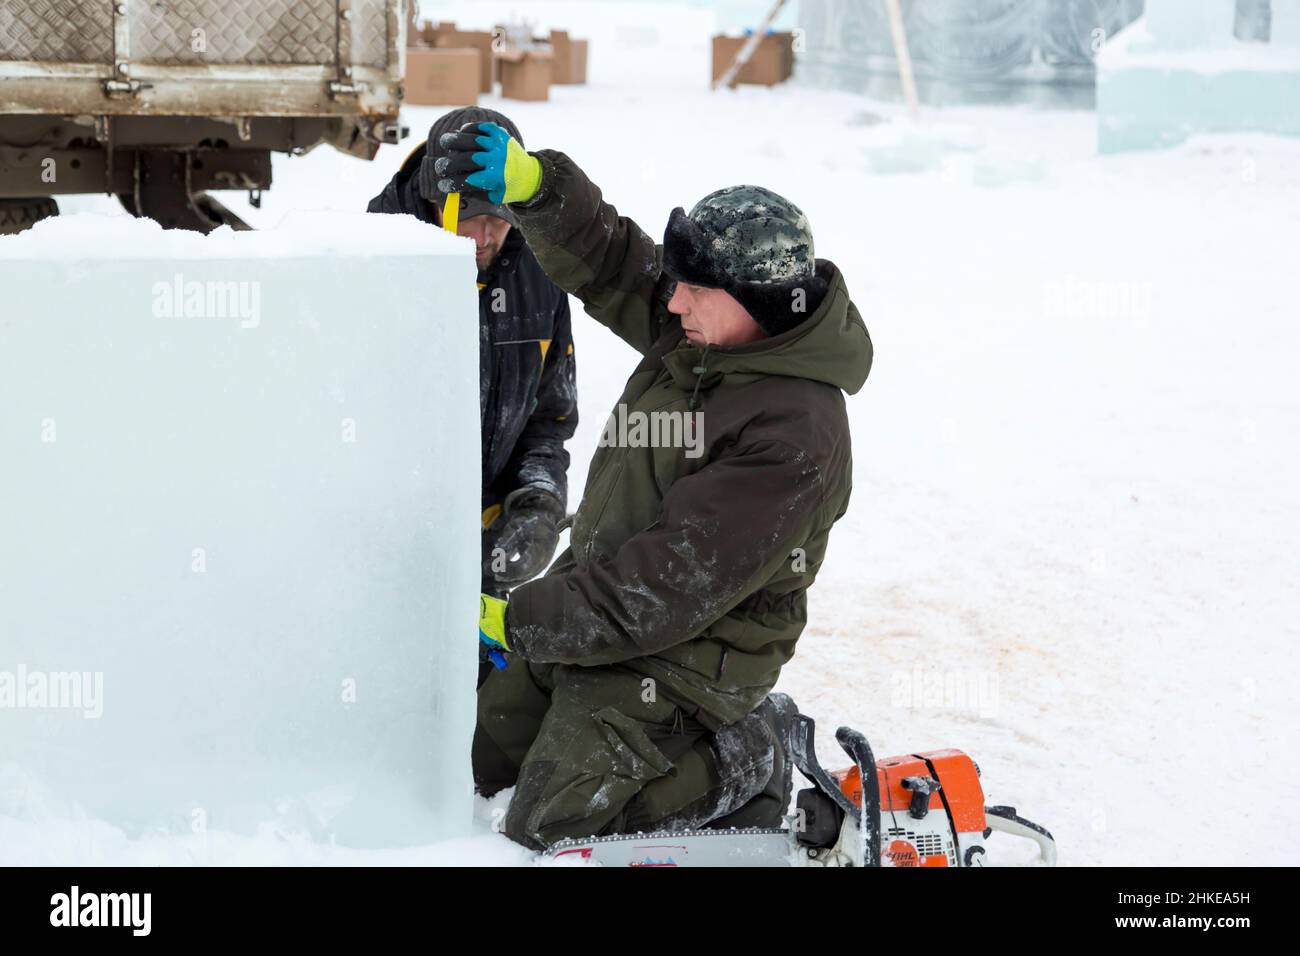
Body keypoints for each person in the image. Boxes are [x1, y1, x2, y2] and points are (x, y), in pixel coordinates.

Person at [441, 121, 873, 850]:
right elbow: (615, 263)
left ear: (754, 300)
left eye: (694, 291)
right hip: (603, 607)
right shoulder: (713, 329)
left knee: (553, 826)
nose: (672, 305)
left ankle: (752, 752)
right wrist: (538, 190)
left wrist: (516, 621)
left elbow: (665, 589)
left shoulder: (793, 436)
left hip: (688, 658)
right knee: (468, 761)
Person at [366, 108, 578, 639]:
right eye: (470, 217)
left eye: (500, 218)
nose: (485, 236)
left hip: (485, 550)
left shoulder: (540, 271)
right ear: (435, 199)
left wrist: (537, 501)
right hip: (380, 549)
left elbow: (549, 417)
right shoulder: (371, 261)